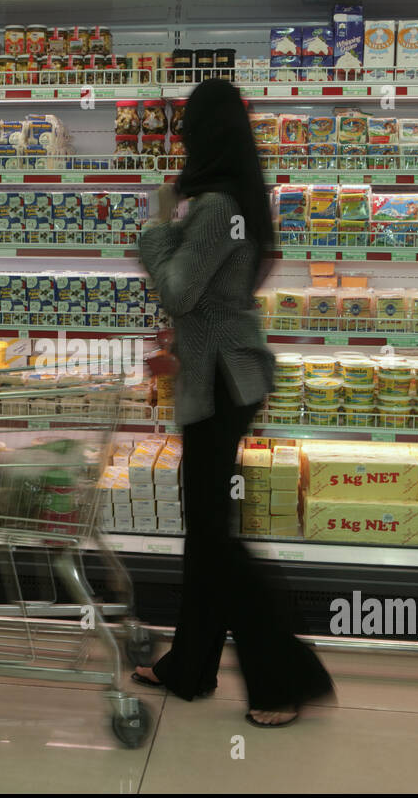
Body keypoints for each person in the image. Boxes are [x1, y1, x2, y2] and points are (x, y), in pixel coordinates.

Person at [133, 77, 334, 727]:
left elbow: (180, 291)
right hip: (222, 373)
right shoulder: (238, 199)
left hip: (221, 380)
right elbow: (224, 291)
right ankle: (189, 667)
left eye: (186, 127)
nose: (181, 138)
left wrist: (155, 231)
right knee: (207, 533)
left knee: (216, 541)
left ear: (204, 135)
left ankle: (284, 680)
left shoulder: (217, 206)